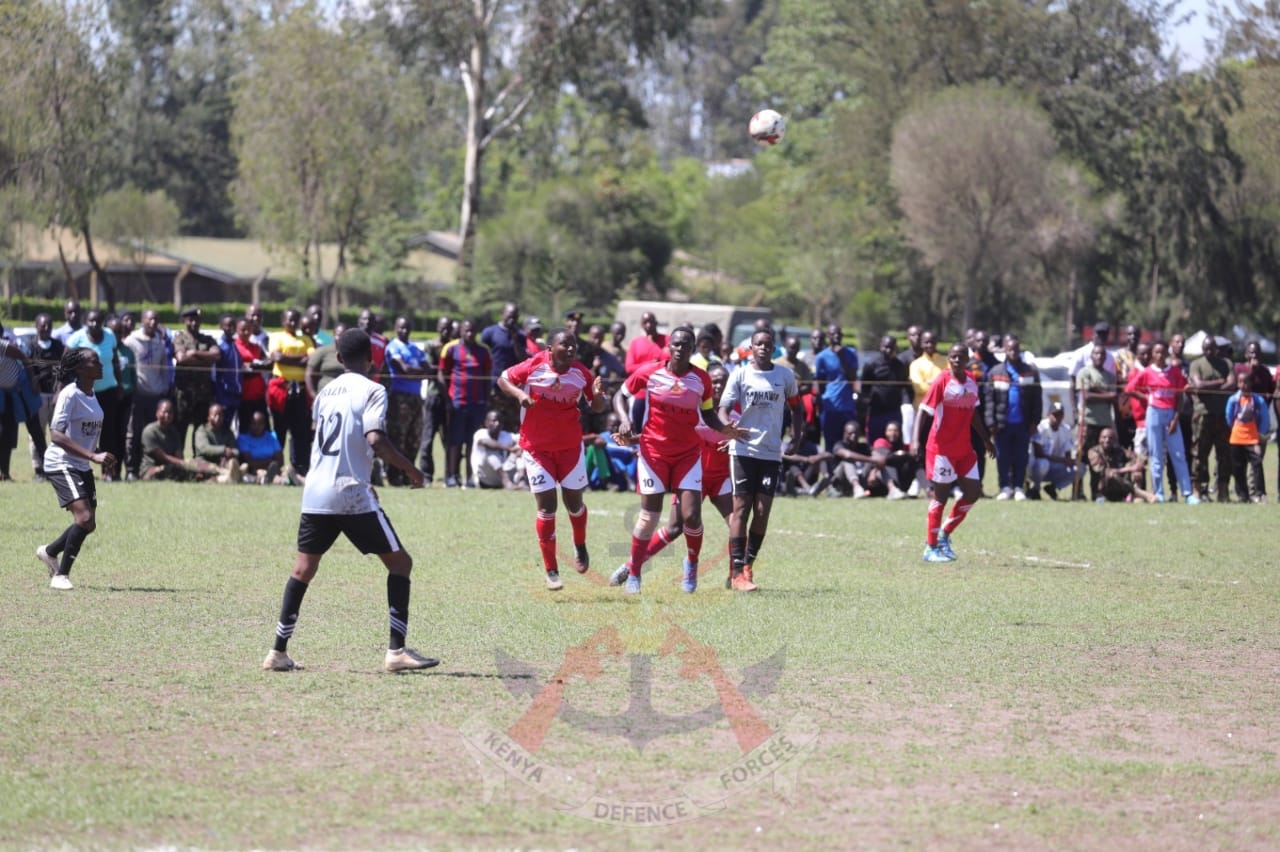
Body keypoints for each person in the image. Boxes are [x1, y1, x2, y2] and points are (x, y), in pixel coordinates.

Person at [262, 328, 437, 673]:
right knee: (400, 565)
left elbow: (331, 441)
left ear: (339, 358)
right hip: (349, 493)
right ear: (372, 359)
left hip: (315, 490)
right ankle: (396, 652)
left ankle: (277, 652)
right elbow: (376, 440)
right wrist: (412, 471)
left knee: (303, 569)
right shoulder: (373, 390)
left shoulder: (326, 392)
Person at [608, 327, 747, 594]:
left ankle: (692, 567)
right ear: (669, 347)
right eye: (676, 344)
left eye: (686, 345)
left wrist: (726, 430)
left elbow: (708, 416)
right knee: (649, 517)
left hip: (687, 455)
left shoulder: (701, 380)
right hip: (653, 454)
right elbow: (620, 395)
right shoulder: (650, 372)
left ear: (693, 349)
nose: (680, 348)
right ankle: (635, 574)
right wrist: (625, 421)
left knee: (691, 517)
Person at [498, 330, 606, 589]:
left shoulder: (581, 373)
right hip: (537, 449)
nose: (571, 349)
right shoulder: (534, 365)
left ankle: (580, 545)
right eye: (565, 345)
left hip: (569, 448)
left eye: (574, 345)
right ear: (550, 348)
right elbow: (503, 379)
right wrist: (520, 395)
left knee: (574, 504)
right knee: (547, 508)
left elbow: (598, 407)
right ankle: (551, 570)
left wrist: (600, 395)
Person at [717, 328, 803, 592]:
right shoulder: (740, 374)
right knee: (741, 509)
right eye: (759, 344)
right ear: (751, 348)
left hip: (770, 452)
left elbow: (796, 407)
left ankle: (746, 565)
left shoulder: (784, 375)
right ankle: (736, 572)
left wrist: (796, 437)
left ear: (773, 348)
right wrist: (727, 427)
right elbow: (723, 409)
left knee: (763, 511)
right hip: (742, 451)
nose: (764, 348)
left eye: (768, 344)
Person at [633, 363, 736, 577]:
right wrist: (641, 444)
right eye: (715, 381)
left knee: (738, 524)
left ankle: (736, 575)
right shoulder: (691, 408)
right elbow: (667, 431)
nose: (718, 386)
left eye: (723, 382)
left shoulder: (736, 415)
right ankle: (631, 567)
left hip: (720, 479)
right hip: (692, 475)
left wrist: (737, 444)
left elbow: (748, 442)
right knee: (674, 527)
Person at [37, 348, 115, 589]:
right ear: (81, 369)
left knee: (89, 524)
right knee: (84, 517)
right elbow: (57, 435)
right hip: (61, 462)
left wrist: (100, 455)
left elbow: (84, 433)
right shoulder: (70, 394)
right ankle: (60, 576)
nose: (100, 364)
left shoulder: (91, 394)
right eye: (94, 361)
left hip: (80, 463)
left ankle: (49, 551)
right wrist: (93, 455)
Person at [914, 343, 996, 563]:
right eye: (953, 357)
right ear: (949, 359)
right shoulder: (942, 381)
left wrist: (986, 440)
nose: (956, 360)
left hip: (964, 448)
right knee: (940, 497)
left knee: (973, 492)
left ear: (968, 359)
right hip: (941, 449)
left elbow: (973, 412)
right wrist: (915, 442)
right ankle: (930, 548)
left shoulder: (971, 379)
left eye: (961, 357)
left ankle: (944, 534)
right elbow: (924, 412)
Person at [1127, 340, 1198, 504]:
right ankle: (1158, 492)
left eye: (1162, 352)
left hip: (1171, 415)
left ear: (1167, 354)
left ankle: (1187, 493)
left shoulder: (1174, 372)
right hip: (1154, 414)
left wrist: (1176, 418)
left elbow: (1181, 396)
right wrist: (1147, 397)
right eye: (1156, 352)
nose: (1160, 355)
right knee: (1156, 455)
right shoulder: (1146, 372)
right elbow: (1130, 388)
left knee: (1179, 454)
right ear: (1153, 354)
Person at [984, 334, 1042, 501]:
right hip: (1002, 425)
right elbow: (989, 401)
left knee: (1021, 456)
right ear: (1005, 351)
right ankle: (1004, 487)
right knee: (1002, 457)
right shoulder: (995, 372)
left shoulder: (1030, 371)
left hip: (1023, 424)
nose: (1013, 352)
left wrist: (1035, 421)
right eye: (1009, 349)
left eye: (1015, 349)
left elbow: (1037, 399)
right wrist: (991, 423)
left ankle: (1018, 487)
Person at [65, 310, 121, 481]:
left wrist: (120, 384)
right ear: (85, 322)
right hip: (86, 394)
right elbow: (65, 362)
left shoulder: (110, 335)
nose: (94, 324)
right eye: (91, 321)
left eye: (98, 321)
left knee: (110, 433)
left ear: (103, 322)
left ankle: (108, 471)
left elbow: (115, 361)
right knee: (85, 431)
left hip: (109, 391)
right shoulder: (77, 338)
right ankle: (80, 469)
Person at [440, 318, 492, 488]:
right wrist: (447, 399)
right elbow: (442, 373)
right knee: (455, 442)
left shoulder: (484, 352)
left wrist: (486, 401)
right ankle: (453, 477)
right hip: (457, 403)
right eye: (466, 330)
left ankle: (470, 477)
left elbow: (487, 377)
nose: (469, 334)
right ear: (461, 331)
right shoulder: (451, 348)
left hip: (477, 403)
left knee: (472, 442)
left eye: (472, 330)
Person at [125, 309, 173, 481]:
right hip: (139, 395)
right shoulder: (132, 341)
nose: (153, 323)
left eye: (156, 320)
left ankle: (149, 469)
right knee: (134, 434)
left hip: (156, 396)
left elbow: (164, 368)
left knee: (151, 436)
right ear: (143, 320)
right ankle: (131, 470)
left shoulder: (160, 342)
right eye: (150, 319)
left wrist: (165, 387)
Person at [268, 308, 314, 478]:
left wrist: (288, 359)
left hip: (300, 390)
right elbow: (277, 358)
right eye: (289, 320)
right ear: (283, 321)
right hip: (281, 388)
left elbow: (311, 359)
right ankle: (277, 466)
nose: (293, 323)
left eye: (296, 320)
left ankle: (299, 467)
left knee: (300, 431)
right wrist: (300, 360)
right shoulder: (276, 337)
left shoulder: (305, 339)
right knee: (279, 428)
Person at [1188, 333, 1234, 502]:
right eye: (1206, 349)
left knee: (1224, 454)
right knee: (1199, 454)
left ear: (1216, 349)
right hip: (1202, 415)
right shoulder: (1196, 364)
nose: (1209, 351)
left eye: (1212, 348)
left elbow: (1232, 384)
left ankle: (1223, 489)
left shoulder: (1226, 363)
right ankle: (1199, 489)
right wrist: (1220, 383)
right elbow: (1198, 386)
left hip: (1222, 415)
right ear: (1203, 349)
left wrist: (1213, 386)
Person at [385, 316, 430, 487]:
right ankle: (394, 476)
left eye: (407, 328)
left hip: (416, 398)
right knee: (398, 438)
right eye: (401, 328)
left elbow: (428, 369)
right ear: (395, 328)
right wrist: (416, 372)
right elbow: (403, 369)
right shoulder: (393, 347)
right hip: (399, 397)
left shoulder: (415, 349)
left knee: (414, 437)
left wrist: (413, 372)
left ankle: (409, 475)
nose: (404, 331)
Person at [171, 306, 220, 454]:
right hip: (183, 393)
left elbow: (216, 356)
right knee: (180, 429)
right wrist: (204, 358)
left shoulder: (208, 339)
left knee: (200, 431)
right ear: (184, 321)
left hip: (203, 394)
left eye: (197, 320)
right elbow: (181, 358)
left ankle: (199, 462)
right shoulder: (179, 338)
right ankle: (179, 464)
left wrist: (193, 353)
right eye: (191, 320)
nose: (194, 323)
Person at [140, 399, 221, 481]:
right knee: (179, 469)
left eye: (170, 413)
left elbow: (178, 455)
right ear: (157, 413)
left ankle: (217, 474)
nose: (167, 415)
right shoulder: (150, 431)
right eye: (164, 412)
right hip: (151, 470)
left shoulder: (174, 431)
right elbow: (163, 457)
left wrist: (187, 467)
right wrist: (185, 464)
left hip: (171, 466)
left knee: (194, 471)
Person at [24, 313, 64, 478]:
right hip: (37, 397)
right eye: (43, 325)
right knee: (36, 434)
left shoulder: (58, 346)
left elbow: (64, 370)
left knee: (58, 434)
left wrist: (59, 391)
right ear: (36, 326)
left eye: (49, 325)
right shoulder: (30, 346)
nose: (46, 328)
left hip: (56, 396)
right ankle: (39, 468)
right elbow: (26, 368)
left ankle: (55, 467)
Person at [1076, 343, 1117, 500]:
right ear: (1091, 356)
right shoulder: (1084, 372)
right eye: (1096, 354)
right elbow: (1086, 396)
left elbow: (1114, 397)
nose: (1099, 357)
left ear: (1105, 357)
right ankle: (1078, 491)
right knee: (1082, 458)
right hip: (1088, 421)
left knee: (1100, 460)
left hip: (1104, 423)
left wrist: (1097, 390)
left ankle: (1096, 491)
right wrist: (1106, 394)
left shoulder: (1110, 376)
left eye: (1102, 354)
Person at [417, 316, 453, 484]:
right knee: (428, 439)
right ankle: (426, 475)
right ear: (438, 328)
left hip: (450, 398)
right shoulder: (431, 345)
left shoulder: (453, 346)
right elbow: (428, 368)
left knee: (449, 440)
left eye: (448, 328)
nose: (445, 331)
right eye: (443, 328)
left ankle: (449, 475)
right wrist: (443, 370)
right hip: (434, 396)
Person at [1226, 372, 1270, 504]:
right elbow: (1228, 417)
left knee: (1257, 465)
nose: (1243, 385)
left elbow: (1265, 418)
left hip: (1252, 438)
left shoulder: (1257, 400)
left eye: (1246, 382)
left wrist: (1261, 433)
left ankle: (1260, 493)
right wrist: (1234, 429)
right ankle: (1243, 495)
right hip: (1236, 438)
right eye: (1240, 382)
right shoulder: (1233, 399)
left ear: (1250, 383)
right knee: (1238, 468)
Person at [813, 324, 859, 451]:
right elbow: (820, 382)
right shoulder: (821, 357)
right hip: (830, 406)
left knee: (849, 441)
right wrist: (822, 401)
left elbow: (852, 378)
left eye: (839, 333)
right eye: (833, 334)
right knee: (830, 442)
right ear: (828, 336)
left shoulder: (851, 353)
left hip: (847, 406)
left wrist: (842, 357)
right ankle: (830, 470)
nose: (836, 336)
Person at [858, 335, 910, 442]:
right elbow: (864, 389)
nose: (888, 350)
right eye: (885, 347)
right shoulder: (871, 364)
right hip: (876, 412)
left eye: (891, 347)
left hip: (894, 411)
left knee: (895, 442)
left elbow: (903, 386)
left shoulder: (900, 366)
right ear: (880, 347)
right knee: (874, 441)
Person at [1088, 426, 1158, 503]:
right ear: (1099, 439)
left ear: (1114, 440)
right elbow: (1104, 471)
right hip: (1102, 491)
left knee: (1132, 465)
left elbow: (1138, 458)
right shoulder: (1093, 452)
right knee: (1112, 475)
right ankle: (1143, 495)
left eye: (1110, 438)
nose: (1107, 440)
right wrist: (1130, 469)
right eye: (1104, 437)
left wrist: (1137, 467)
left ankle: (1134, 495)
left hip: (1120, 488)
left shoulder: (1119, 450)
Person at [1029, 402, 1076, 500]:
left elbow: (1068, 451)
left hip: (1055, 465)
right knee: (1043, 464)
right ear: (1048, 415)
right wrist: (1063, 460)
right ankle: (1035, 488)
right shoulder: (1041, 427)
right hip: (1037, 467)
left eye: (1060, 415)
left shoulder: (1066, 429)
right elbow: (1039, 454)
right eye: (1054, 415)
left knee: (1080, 468)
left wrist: (1069, 461)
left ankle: (1053, 487)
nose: (1057, 418)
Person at [234, 316, 272, 429]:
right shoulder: (235, 346)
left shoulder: (256, 347)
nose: (246, 332)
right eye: (243, 330)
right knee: (245, 427)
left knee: (264, 426)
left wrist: (254, 365)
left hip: (258, 393)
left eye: (248, 329)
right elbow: (239, 367)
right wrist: (253, 366)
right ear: (237, 330)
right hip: (244, 394)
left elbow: (267, 363)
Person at [469, 409, 520, 490]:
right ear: (486, 422)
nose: (497, 423)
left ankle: (521, 481)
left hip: (502, 475)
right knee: (491, 454)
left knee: (523, 451)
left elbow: (523, 438)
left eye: (500, 421)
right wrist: (510, 449)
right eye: (494, 421)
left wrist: (519, 448)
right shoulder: (480, 433)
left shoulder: (506, 436)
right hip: (485, 478)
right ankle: (507, 483)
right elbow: (487, 443)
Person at [194, 403, 243, 482]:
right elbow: (204, 448)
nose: (218, 418)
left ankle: (231, 475)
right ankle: (232, 476)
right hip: (205, 462)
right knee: (209, 469)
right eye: (215, 415)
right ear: (209, 417)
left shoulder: (227, 432)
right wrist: (223, 451)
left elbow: (236, 450)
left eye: (220, 415)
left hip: (222, 462)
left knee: (232, 462)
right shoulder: (202, 430)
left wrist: (228, 455)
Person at [237, 410, 285, 484]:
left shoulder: (272, 436)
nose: (256, 426)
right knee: (263, 473)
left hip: (273, 468)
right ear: (249, 424)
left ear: (264, 425)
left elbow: (281, 461)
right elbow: (250, 462)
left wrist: (267, 463)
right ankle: (275, 480)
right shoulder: (243, 439)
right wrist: (269, 462)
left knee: (287, 471)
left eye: (260, 424)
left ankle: (279, 478)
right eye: (254, 423)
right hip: (254, 470)